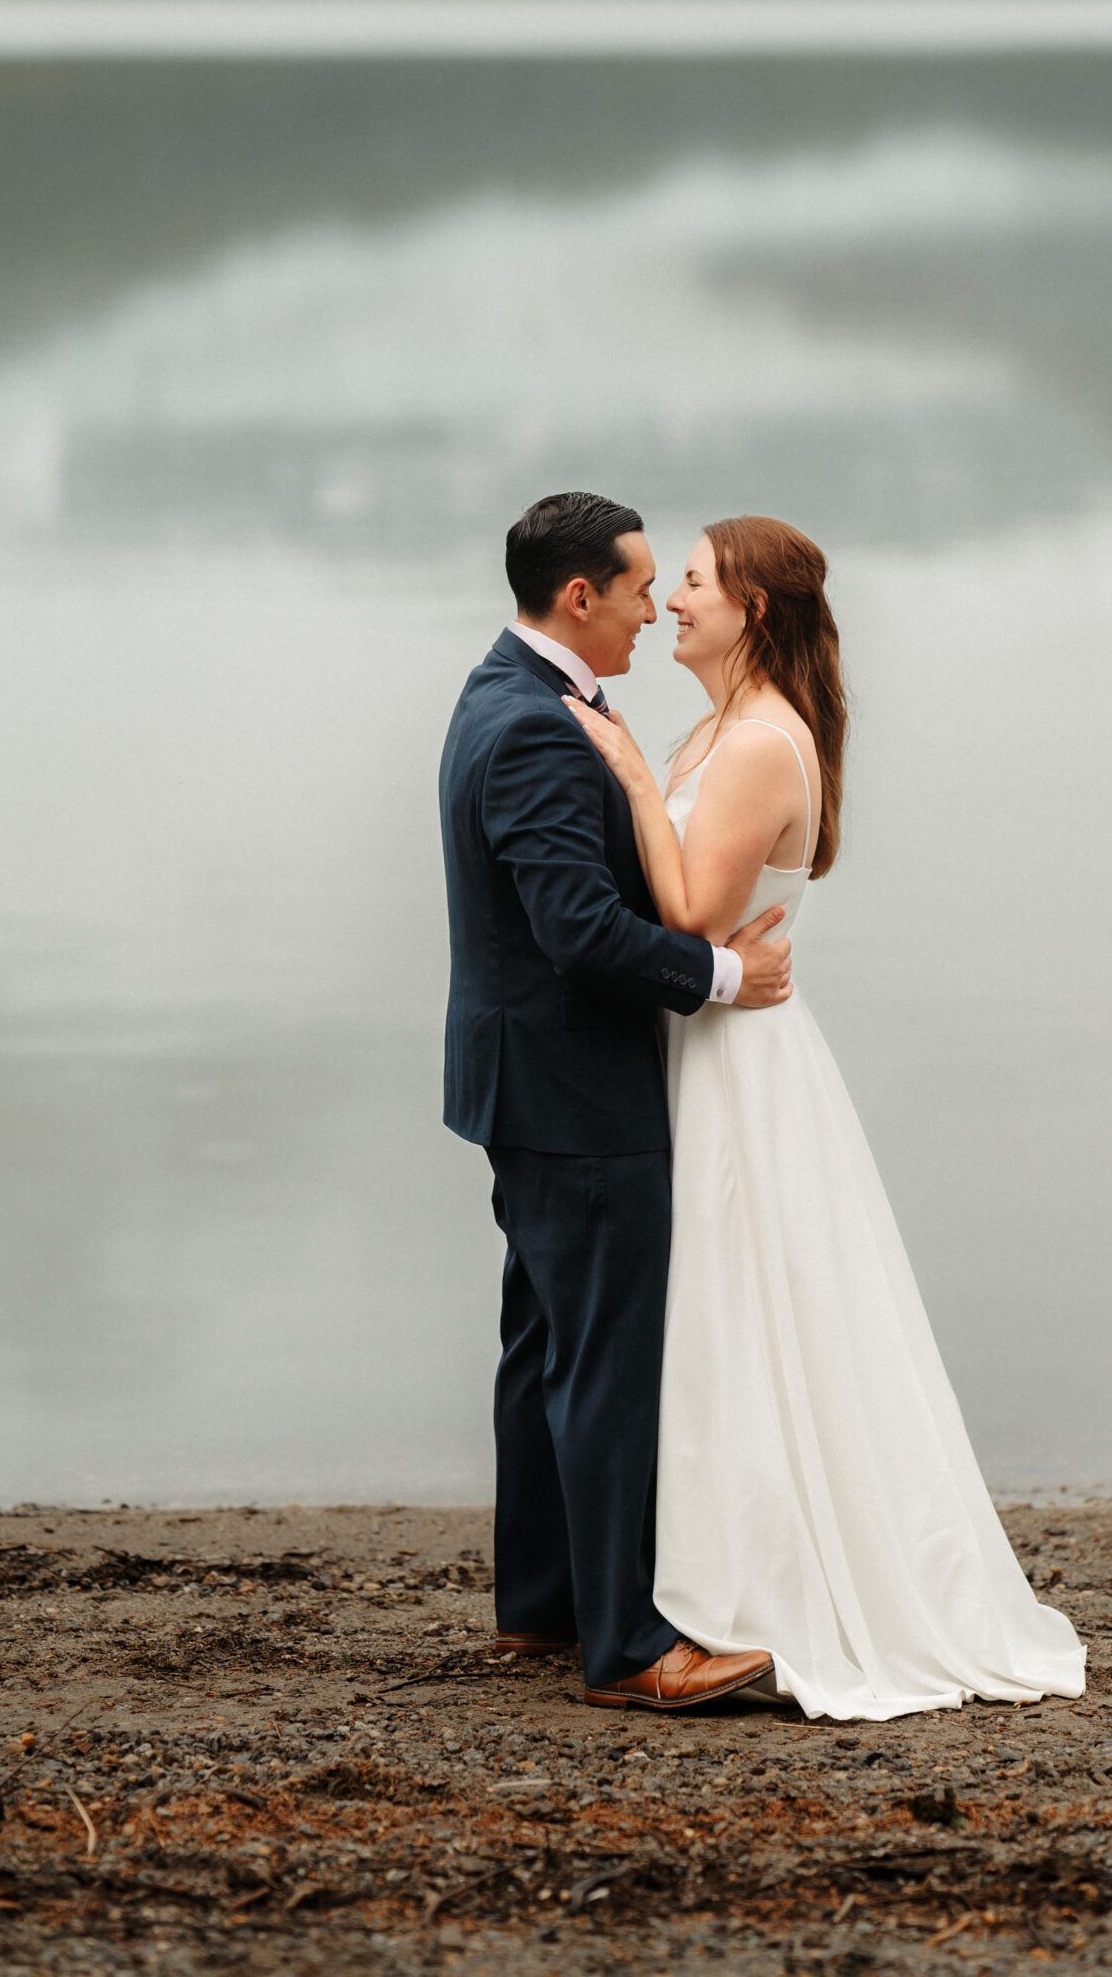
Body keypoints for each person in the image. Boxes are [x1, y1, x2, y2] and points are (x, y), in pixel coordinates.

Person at [564, 514, 1087, 1720]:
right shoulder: (720, 725)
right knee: (731, 1313)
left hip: (739, 1054)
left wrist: (632, 774)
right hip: (711, 1039)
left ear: (751, 609)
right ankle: (698, 1576)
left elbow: (692, 913)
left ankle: (749, 1586)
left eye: (690, 583)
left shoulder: (753, 743)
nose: (669, 603)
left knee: (751, 1307)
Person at [438, 491, 793, 1713]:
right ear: (578, 596)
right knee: (603, 1362)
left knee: (542, 1340)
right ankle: (631, 1646)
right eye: (640, 587)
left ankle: (542, 1604)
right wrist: (723, 972)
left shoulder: (507, 693)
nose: (654, 607)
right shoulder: (536, 725)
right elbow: (576, 930)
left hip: (524, 1079)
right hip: (573, 1087)